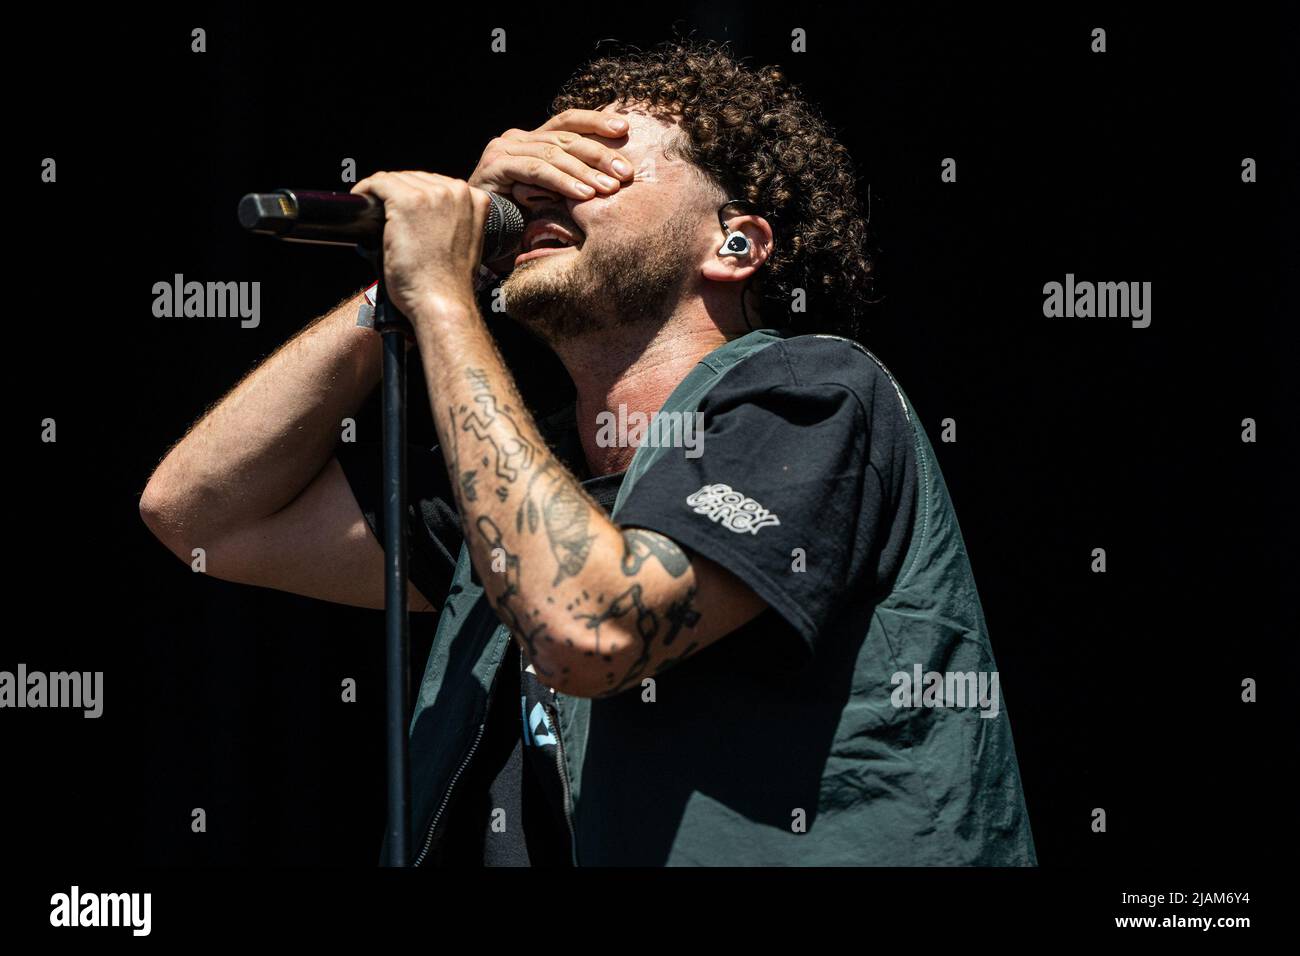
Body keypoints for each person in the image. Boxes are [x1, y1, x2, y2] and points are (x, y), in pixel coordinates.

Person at [140, 41, 1037, 866]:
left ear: (736, 243)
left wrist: (444, 299)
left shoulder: (812, 393)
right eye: (535, 172)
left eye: (596, 167)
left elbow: (593, 626)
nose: (541, 193)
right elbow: (204, 514)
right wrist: (399, 287)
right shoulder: (523, 490)